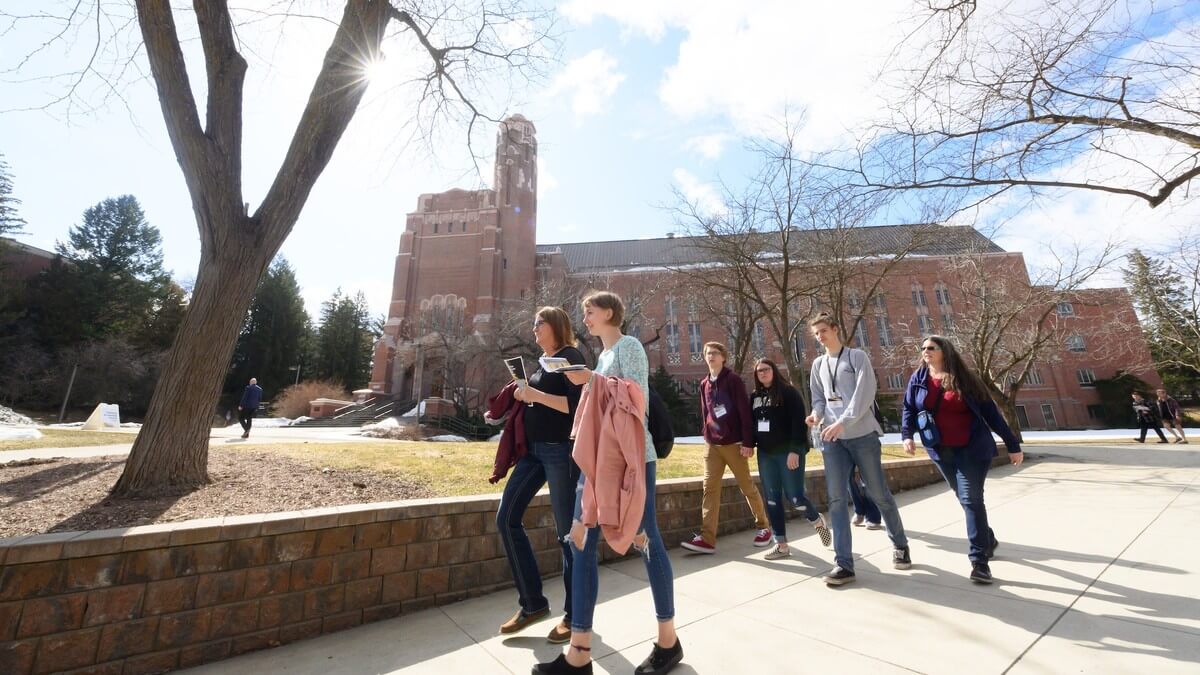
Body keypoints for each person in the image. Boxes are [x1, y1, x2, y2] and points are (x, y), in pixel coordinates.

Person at [534, 291, 681, 675]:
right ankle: (579, 651)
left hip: (632, 461)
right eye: (584, 311)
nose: (585, 317)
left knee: (646, 539)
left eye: (590, 310)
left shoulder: (630, 346)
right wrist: (590, 381)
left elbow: (634, 400)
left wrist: (592, 381)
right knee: (580, 539)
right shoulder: (601, 356)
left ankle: (669, 641)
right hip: (599, 460)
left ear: (611, 313)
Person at [901, 335, 1024, 584]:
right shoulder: (919, 379)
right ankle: (987, 538)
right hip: (940, 450)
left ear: (944, 351)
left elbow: (992, 414)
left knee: (971, 499)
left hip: (972, 449)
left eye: (931, 348)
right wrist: (907, 435)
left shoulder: (967, 380)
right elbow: (908, 408)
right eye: (923, 348)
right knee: (966, 499)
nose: (925, 351)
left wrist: (1012, 444)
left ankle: (979, 561)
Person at [495, 307, 585, 644]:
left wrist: (535, 395)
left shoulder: (570, 356)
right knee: (506, 519)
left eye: (539, 323)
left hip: (560, 452)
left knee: (567, 535)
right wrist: (523, 393)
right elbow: (538, 400)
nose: (533, 329)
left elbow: (575, 406)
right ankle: (533, 603)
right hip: (532, 453)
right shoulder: (543, 361)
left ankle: (575, 616)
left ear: (555, 326)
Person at [805, 313, 911, 586]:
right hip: (833, 441)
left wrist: (842, 422)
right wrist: (816, 415)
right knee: (837, 500)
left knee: (878, 493)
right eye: (816, 333)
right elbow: (818, 398)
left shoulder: (856, 357)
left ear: (836, 329)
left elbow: (864, 396)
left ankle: (900, 544)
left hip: (862, 436)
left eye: (824, 331)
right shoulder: (818, 365)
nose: (820, 337)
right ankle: (844, 564)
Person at [680, 342, 772, 554]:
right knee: (709, 488)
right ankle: (707, 538)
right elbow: (706, 412)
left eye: (714, 353)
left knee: (746, 485)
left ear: (723, 357)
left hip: (734, 443)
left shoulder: (733, 380)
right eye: (707, 353)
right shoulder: (704, 384)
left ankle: (764, 527)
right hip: (712, 444)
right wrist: (706, 435)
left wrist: (747, 442)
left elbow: (744, 412)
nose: (710, 356)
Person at [749, 358, 831, 560]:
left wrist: (796, 450)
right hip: (766, 455)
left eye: (766, 369)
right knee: (772, 499)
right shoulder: (754, 397)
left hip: (788, 453)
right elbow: (752, 424)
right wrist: (748, 444)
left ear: (774, 370)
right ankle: (781, 544)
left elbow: (798, 423)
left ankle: (817, 519)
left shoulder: (789, 392)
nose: (763, 373)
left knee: (795, 497)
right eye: (759, 371)